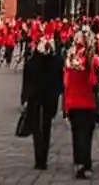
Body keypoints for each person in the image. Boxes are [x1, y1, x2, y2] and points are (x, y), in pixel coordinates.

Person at [20, 36, 63, 170]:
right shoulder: (53, 61)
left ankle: (40, 158)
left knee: (41, 129)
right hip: (42, 99)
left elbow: (27, 82)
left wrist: (24, 97)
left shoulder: (35, 61)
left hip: (41, 99)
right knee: (43, 129)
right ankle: (41, 157)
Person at [63, 32, 99, 180]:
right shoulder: (92, 60)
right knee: (87, 135)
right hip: (88, 102)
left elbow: (66, 82)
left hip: (73, 101)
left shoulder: (70, 59)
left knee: (76, 134)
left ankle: (78, 162)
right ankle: (86, 164)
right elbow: (95, 82)